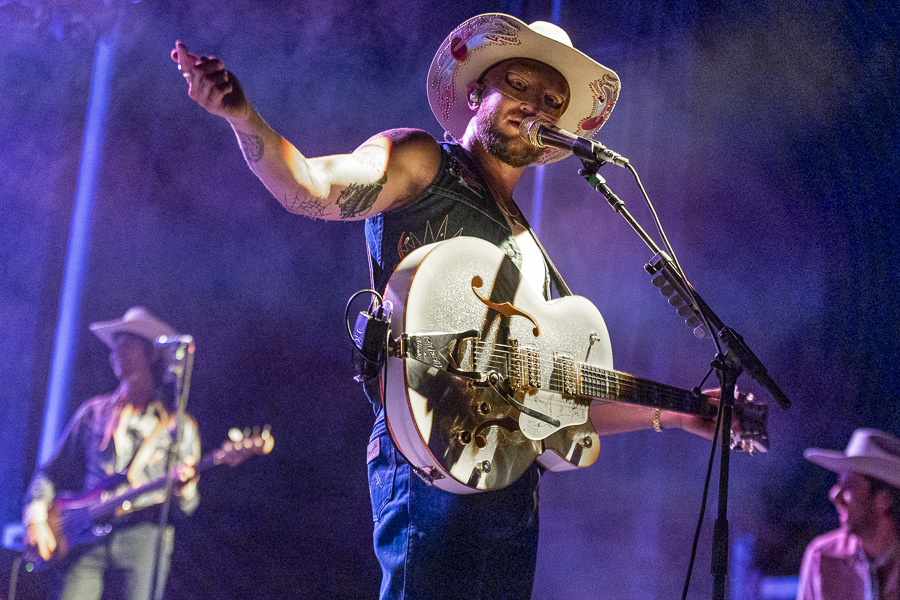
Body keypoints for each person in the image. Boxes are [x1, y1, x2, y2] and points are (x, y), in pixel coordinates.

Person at [173, 13, 717, 599]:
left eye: (553, 101)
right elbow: (309, 187)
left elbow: (564, 397)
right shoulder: (423, 160)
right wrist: (243, 118)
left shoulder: (531, 255)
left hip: (511, 482)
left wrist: (678, 412)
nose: (537, 106)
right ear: (478, 90)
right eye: (521, 86)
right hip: (429, 447)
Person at [23, 306, 201, 600]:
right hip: (84, 535)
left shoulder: (179, 426)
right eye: (114, 346)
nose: (114, 353)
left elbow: (189, 508)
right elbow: (50, 472)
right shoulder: (94, 412)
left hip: (142, 540)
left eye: (126, 345)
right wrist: (36, 518)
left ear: (151, 355)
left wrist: (186, 490)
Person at [798, 428, 900, 600]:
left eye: (850, 486)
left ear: (884, 500)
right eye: (839, 483)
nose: (834, 495)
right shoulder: (822, 555)